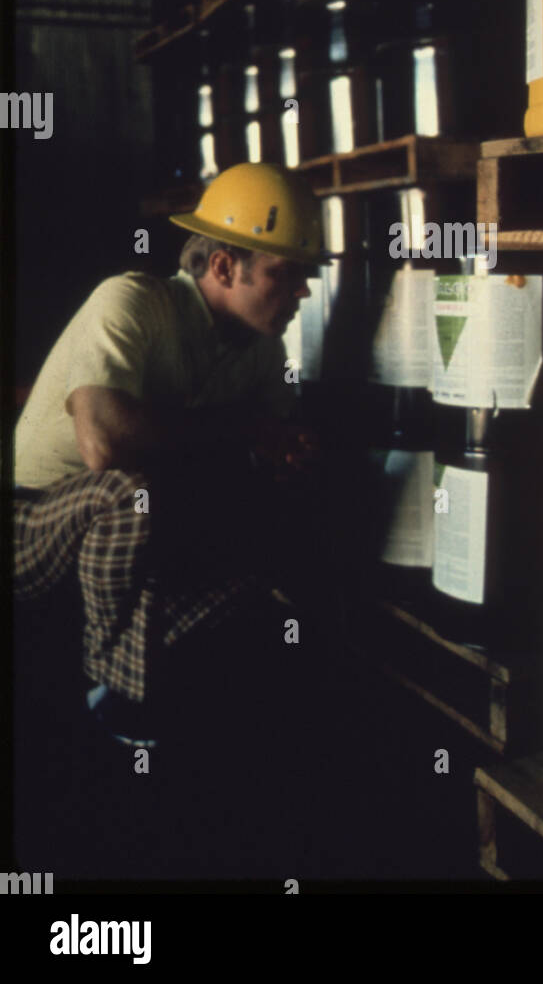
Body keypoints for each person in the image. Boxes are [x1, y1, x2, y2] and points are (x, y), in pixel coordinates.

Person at [13, 162, 330, 747]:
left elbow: (273, 444)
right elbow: (103, 444)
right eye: (285, 276)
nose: (303, 292)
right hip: (31, 518)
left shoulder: (261, 348)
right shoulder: (129, 300)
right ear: (223, 266)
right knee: (126, 492)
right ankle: (111, 685)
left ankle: (138, 666)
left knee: (264, 556)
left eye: (307, 277)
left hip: (138, 535)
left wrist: (289, 457)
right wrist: (246, 430)